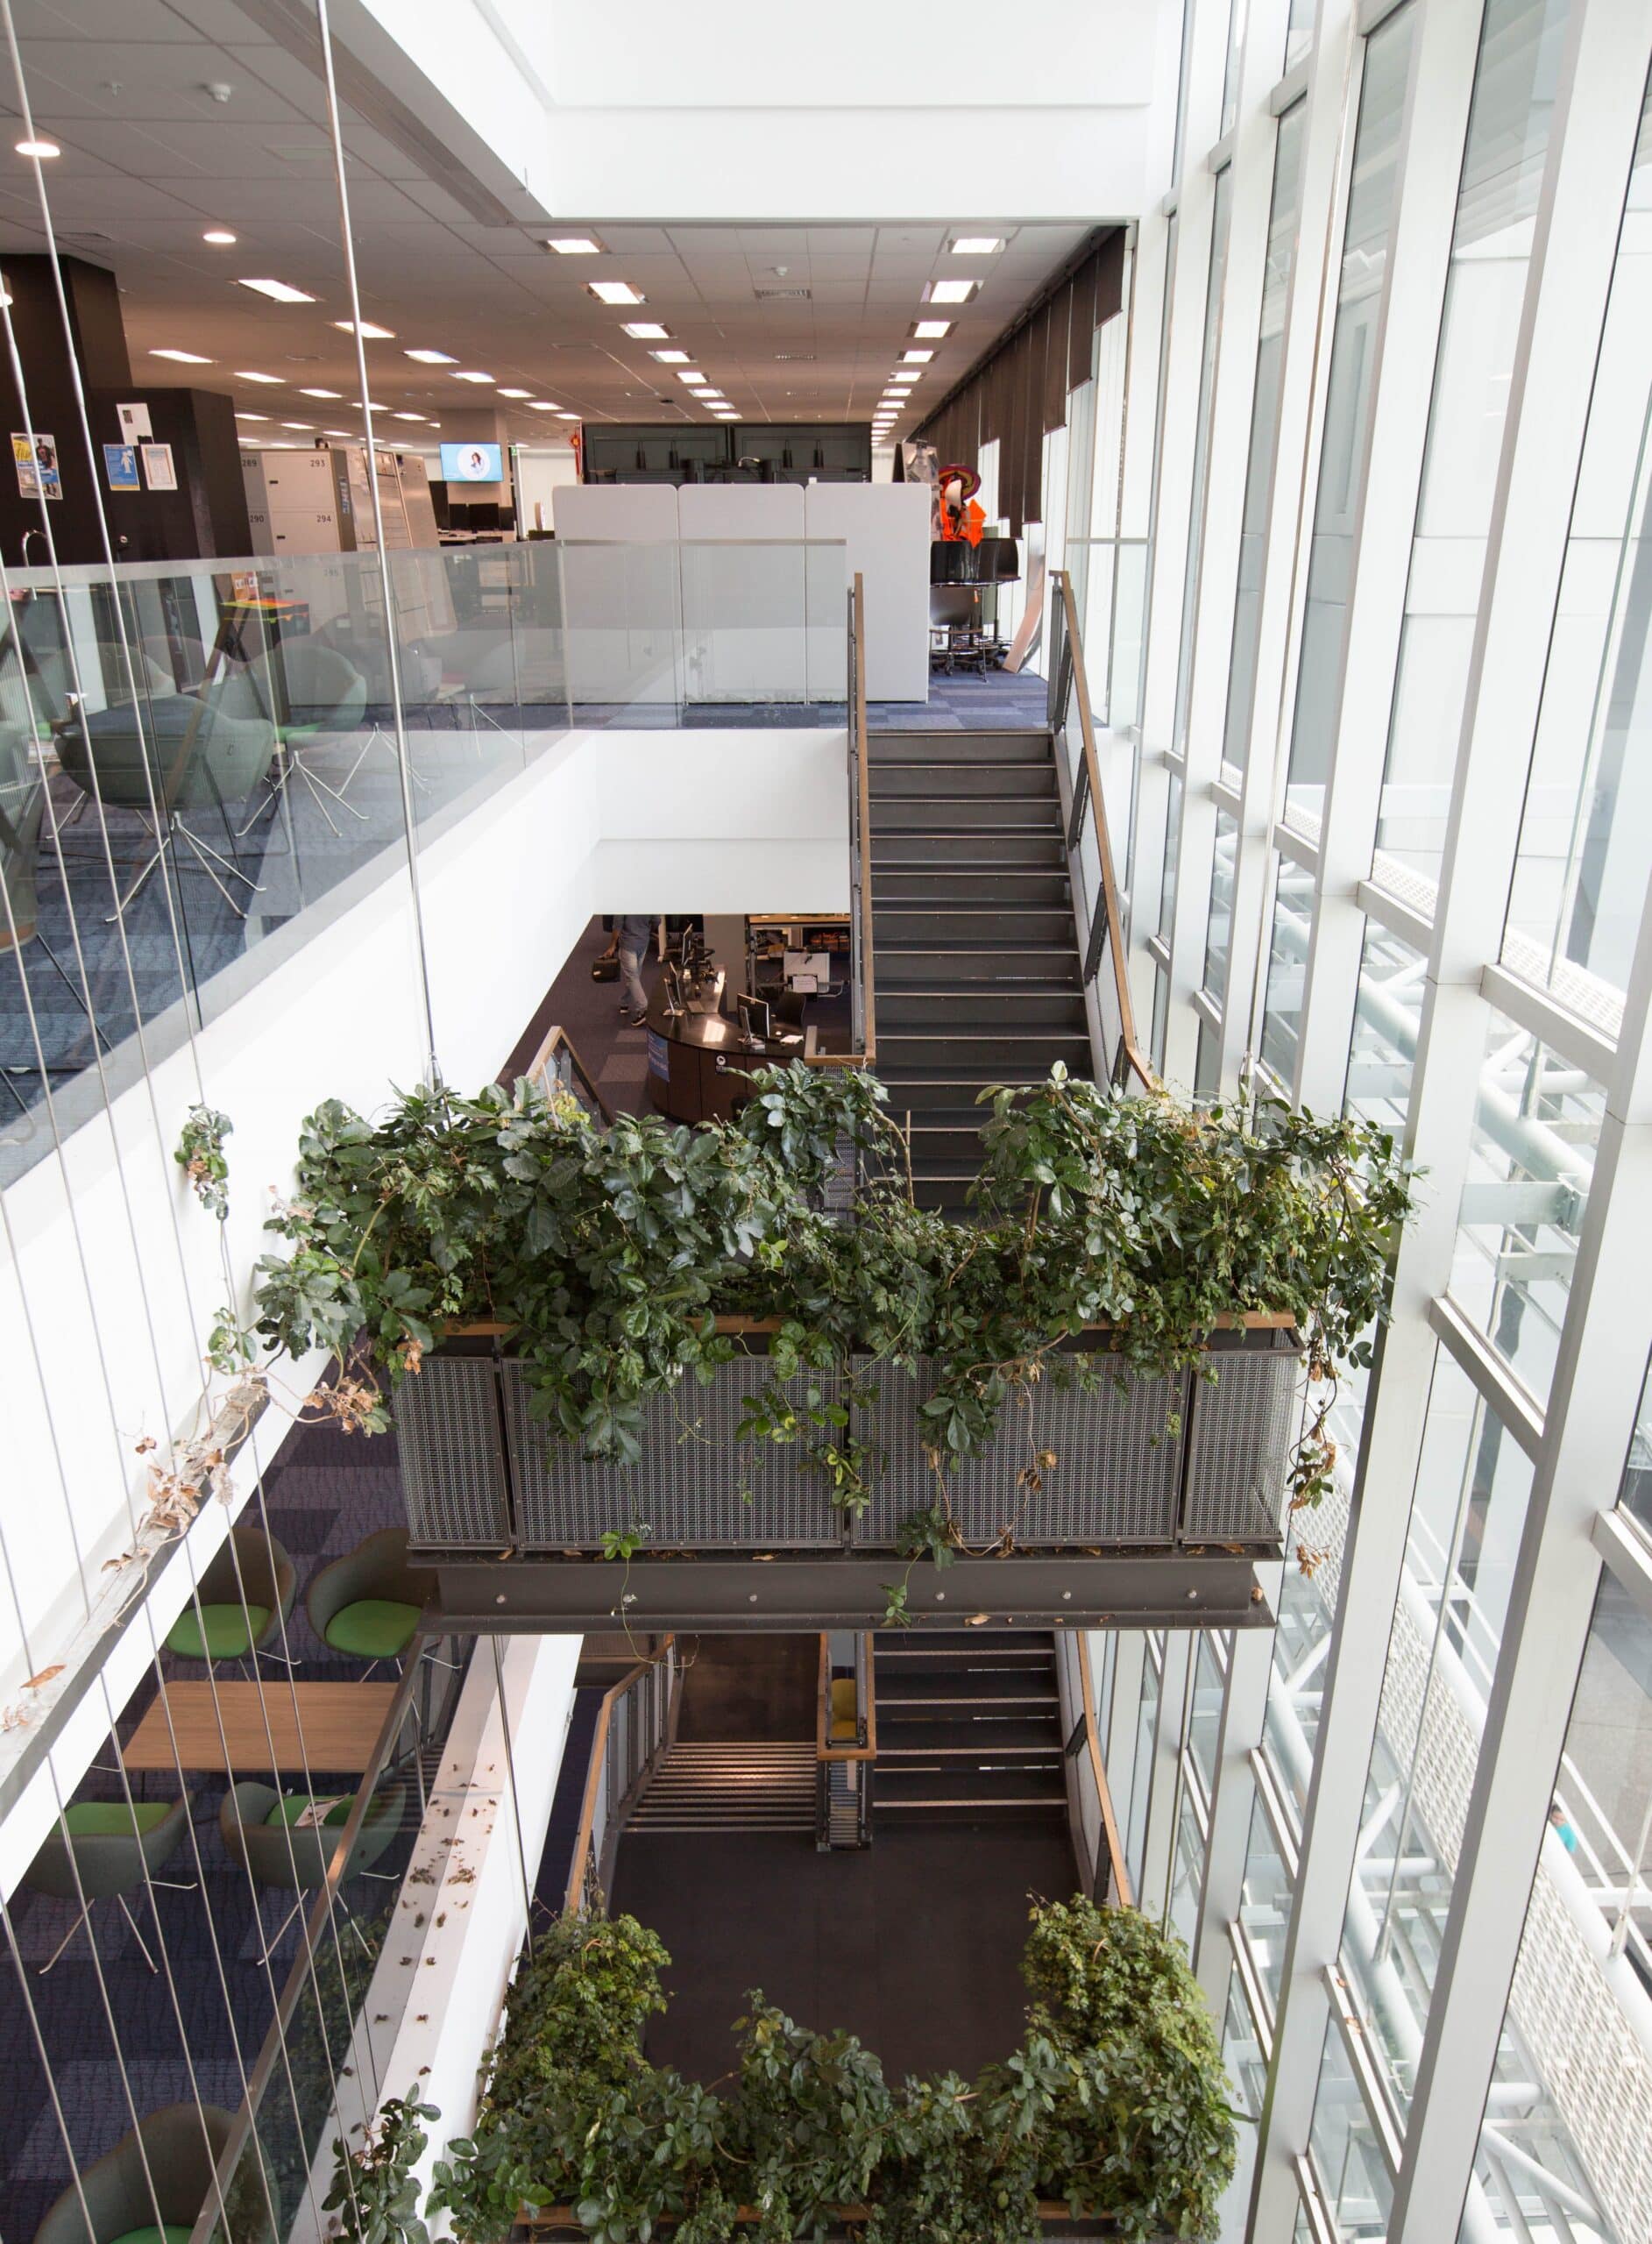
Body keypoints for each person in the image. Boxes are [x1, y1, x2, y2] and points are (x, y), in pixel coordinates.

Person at [616, 913, 655, 1027]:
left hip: (628, 944)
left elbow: (617, 925)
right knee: (634, 975)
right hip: (643, 941)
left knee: (632, 976)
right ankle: (624, 1002)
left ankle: (643, 1010)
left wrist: (612, 945)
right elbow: (657, 920)